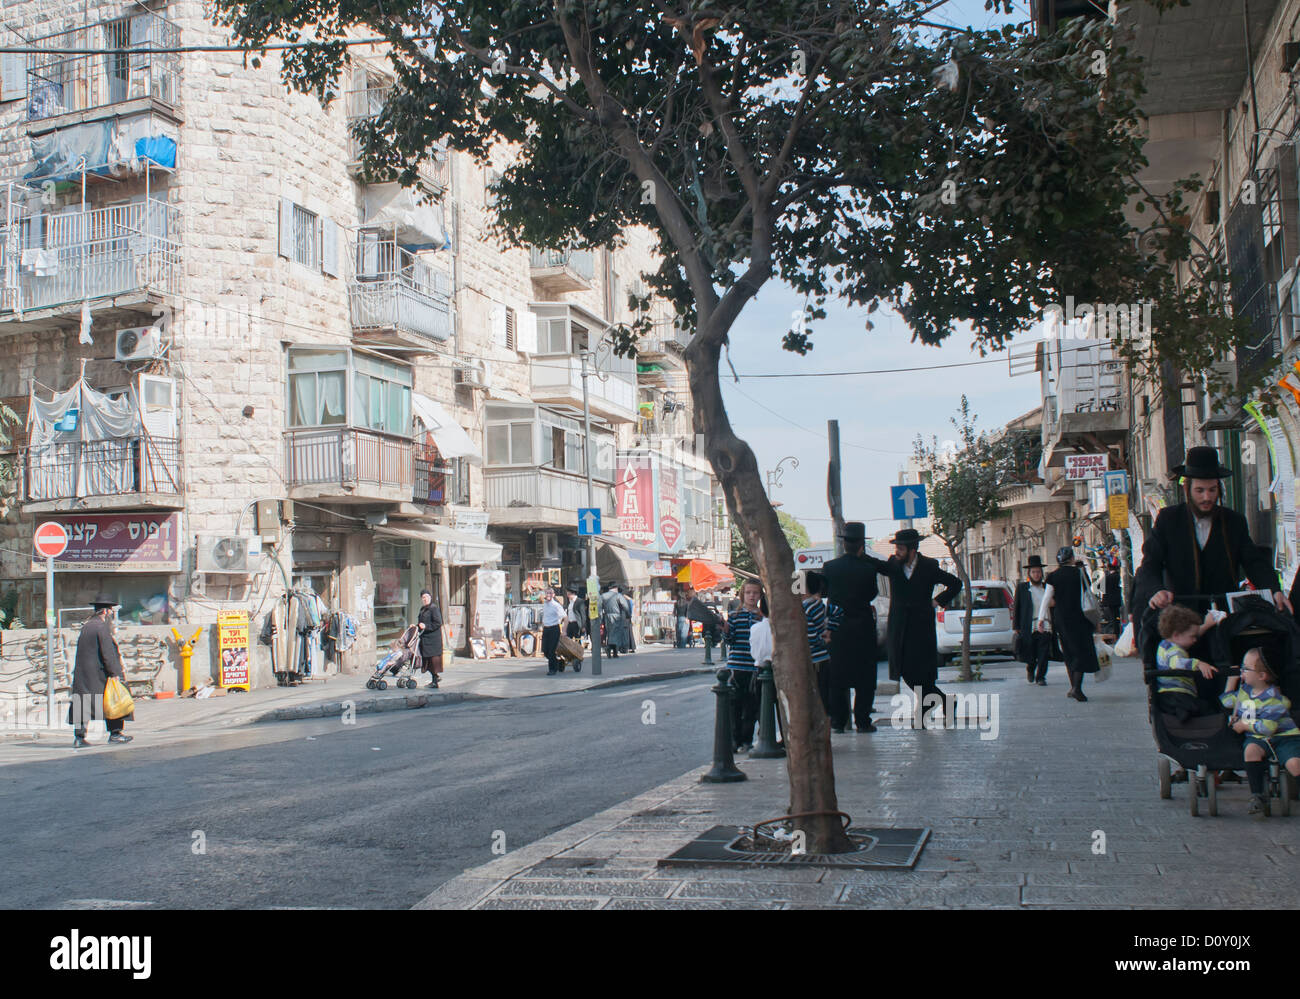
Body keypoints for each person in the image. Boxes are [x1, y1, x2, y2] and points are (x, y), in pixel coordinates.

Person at [1131, 446, 1287, 672]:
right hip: (1181, 620)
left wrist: (1274, 590)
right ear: (1187, 489)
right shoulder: (1168, 520)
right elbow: (1150, 563)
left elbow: (1253, 561)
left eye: (1212, 490)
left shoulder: (1233, 521)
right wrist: (1156, 590)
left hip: (1221, 619)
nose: (1207, 497)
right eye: (1200, 490)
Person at [873, 528, 960, 727]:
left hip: (921, 629)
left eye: (901, 548)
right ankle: (944, 701)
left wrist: (937, 601)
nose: (897, 552)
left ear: (912, 550)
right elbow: (877, 566)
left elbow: (955, 584)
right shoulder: (893, 564)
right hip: (899, 629)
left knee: (922, 672)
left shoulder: (929, 566)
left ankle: (925, 711)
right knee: (905, 671)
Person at [1222, 647, 1300, 819]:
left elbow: (1269, 727)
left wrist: (1244, 724)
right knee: (1251, 751)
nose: (1242, 671)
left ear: (1262, 676)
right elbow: (1227, 701)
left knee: (1294, 763)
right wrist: (1231, 680)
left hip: (1284, 737)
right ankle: (1257, 794)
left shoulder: (1274, 699)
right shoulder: (1245, 692)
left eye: (1245, 668)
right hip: (1258, 738)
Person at [821, 522, 882, 733]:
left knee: (837, 677)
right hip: (863, 627)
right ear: (861, 545)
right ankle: (863, 721)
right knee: (865, 677)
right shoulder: (868, 568)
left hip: (837, 628)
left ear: (843, 543)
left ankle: (839, 721)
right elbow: (872, 593)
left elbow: (824, 592)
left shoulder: (829, 568)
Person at [1036, 546, 1099, 702]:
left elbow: (1046, 598)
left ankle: (1073, 687)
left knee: (1068, 652)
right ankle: (1077, 688)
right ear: (1072, 558)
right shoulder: (1080, 573)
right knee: (1081, 652)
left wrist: (1041, 619)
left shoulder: (1053, 576)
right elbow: (1088, 593)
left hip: (1062, 619)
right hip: (1080, 618)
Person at [70, 594, 131, 748]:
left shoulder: (87, 626)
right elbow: (108, 653)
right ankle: (116, 733)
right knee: (113, 701)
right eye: (110, 611)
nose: (111, 614)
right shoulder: (101, 627)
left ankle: (79, 738)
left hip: (84, 674)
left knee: (83, 704)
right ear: (105, 611)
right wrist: (115, 673)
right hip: (99, 674)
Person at [1154, 604, 1222, 721]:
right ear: (1176, 635)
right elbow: (1177, 663)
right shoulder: (1174, 651)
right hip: (1177, 695)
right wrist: (1199, 664)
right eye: (1193, 637)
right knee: (1207, 710)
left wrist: (1206, 625)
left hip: (1170, 695)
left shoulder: (1165, 644)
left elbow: (1187, 634)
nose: (1195, 640)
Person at [723, 579, 764, 752]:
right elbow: (729, 640)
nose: (751, 596)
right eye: (748, 593)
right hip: (737, 666)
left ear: (760, 595)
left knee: (751, 707)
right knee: (734, 706)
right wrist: (724, 629)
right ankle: (735, 740)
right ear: (742, 595)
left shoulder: (763, 617)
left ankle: (746, 740)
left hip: (755, 668)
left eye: (755, 593)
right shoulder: (734, 616)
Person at [1013, 555, 1055, 686]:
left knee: (1043, 653)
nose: (1036, 575)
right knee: (1030, 652)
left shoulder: (1047, 587)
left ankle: (1041, 677)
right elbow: (1017, 607)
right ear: (1029, 573)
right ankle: (1030, 669)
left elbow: (1053, 604)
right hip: (1029, 625)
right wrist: (1016, 626)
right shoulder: (1022, 588)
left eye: (1038, 572)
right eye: (1034, 572)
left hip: (1045, 625)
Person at [801, 571, 833, 710]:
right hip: (823, 657)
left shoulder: (806, 608)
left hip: (813, 659)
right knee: (823, 695)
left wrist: (821, 642)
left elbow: (810, 634)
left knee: (815, 698)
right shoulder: (820, 605)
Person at [416, 588, 443, 689]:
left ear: (430, 597)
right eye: (423, 597)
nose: (425, 599)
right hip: (425, 640)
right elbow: (421, 623)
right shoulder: (422, 609)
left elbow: (438, 623)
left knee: (433, 661)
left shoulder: (433, 608)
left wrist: (426, 626)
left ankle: (435, 681)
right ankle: (435, 678)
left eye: (427, 597)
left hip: (433, 640)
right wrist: (415, 626)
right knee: (427, 661)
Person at [540, 586, 566, 675]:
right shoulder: (544, 604)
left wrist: (564, 630)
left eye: (550, 593)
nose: (548, 595)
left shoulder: (556, 605)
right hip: (546, 629)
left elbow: (565, 617)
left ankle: (552, 669)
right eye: (547, 593)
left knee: (551, 650)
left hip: (554, 629)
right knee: (545, 650)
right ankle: (558, 663)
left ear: (553, 595)